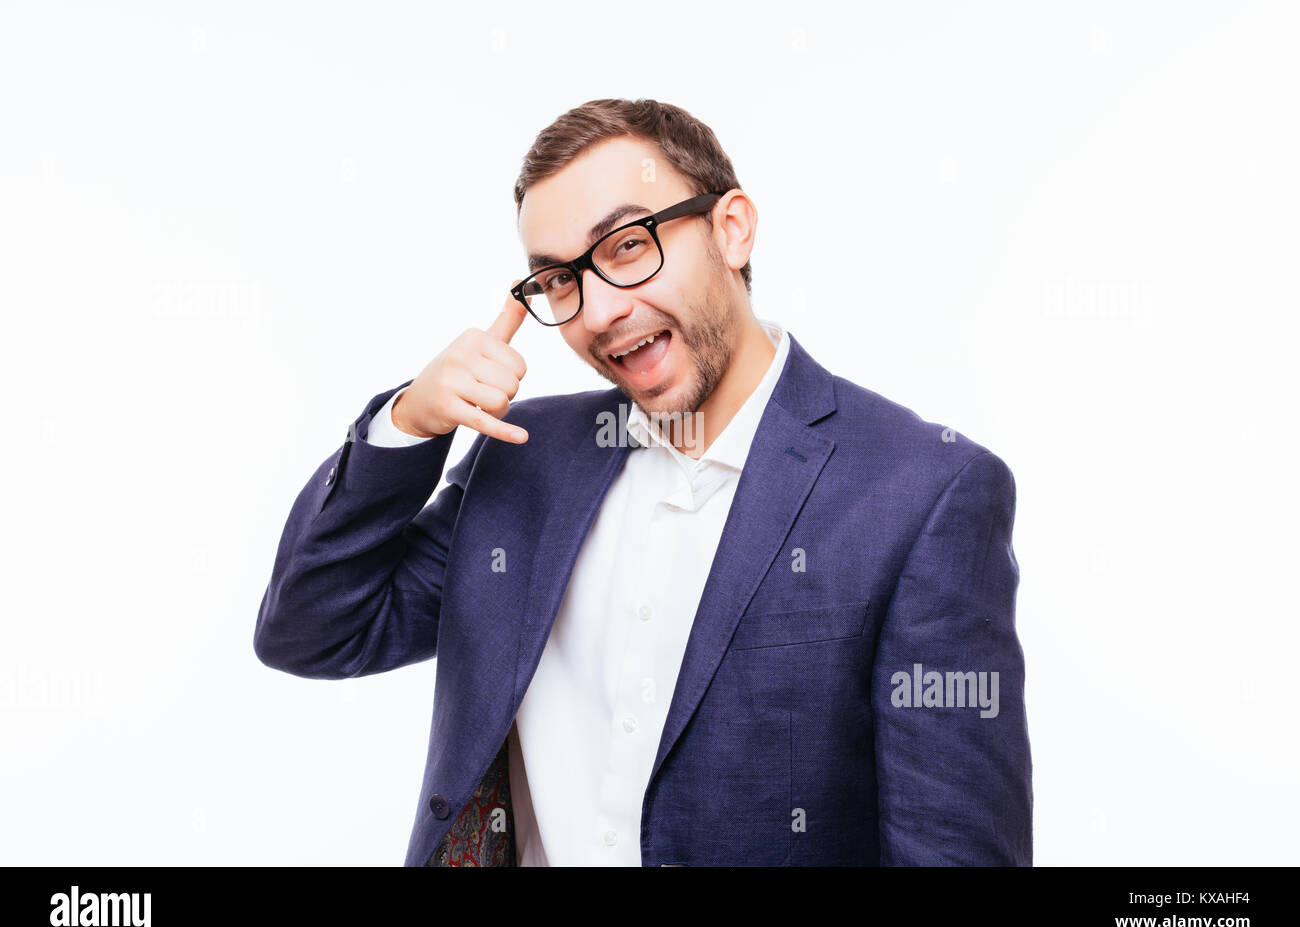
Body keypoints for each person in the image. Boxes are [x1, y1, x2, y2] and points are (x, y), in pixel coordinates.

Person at [253, 97, 1032, 866]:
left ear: (731, 229)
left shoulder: (923, 492)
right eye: (558, 280)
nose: (597, 310)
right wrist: (409, 426)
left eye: (626, 246)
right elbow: (314, 629)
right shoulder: (525, 457)